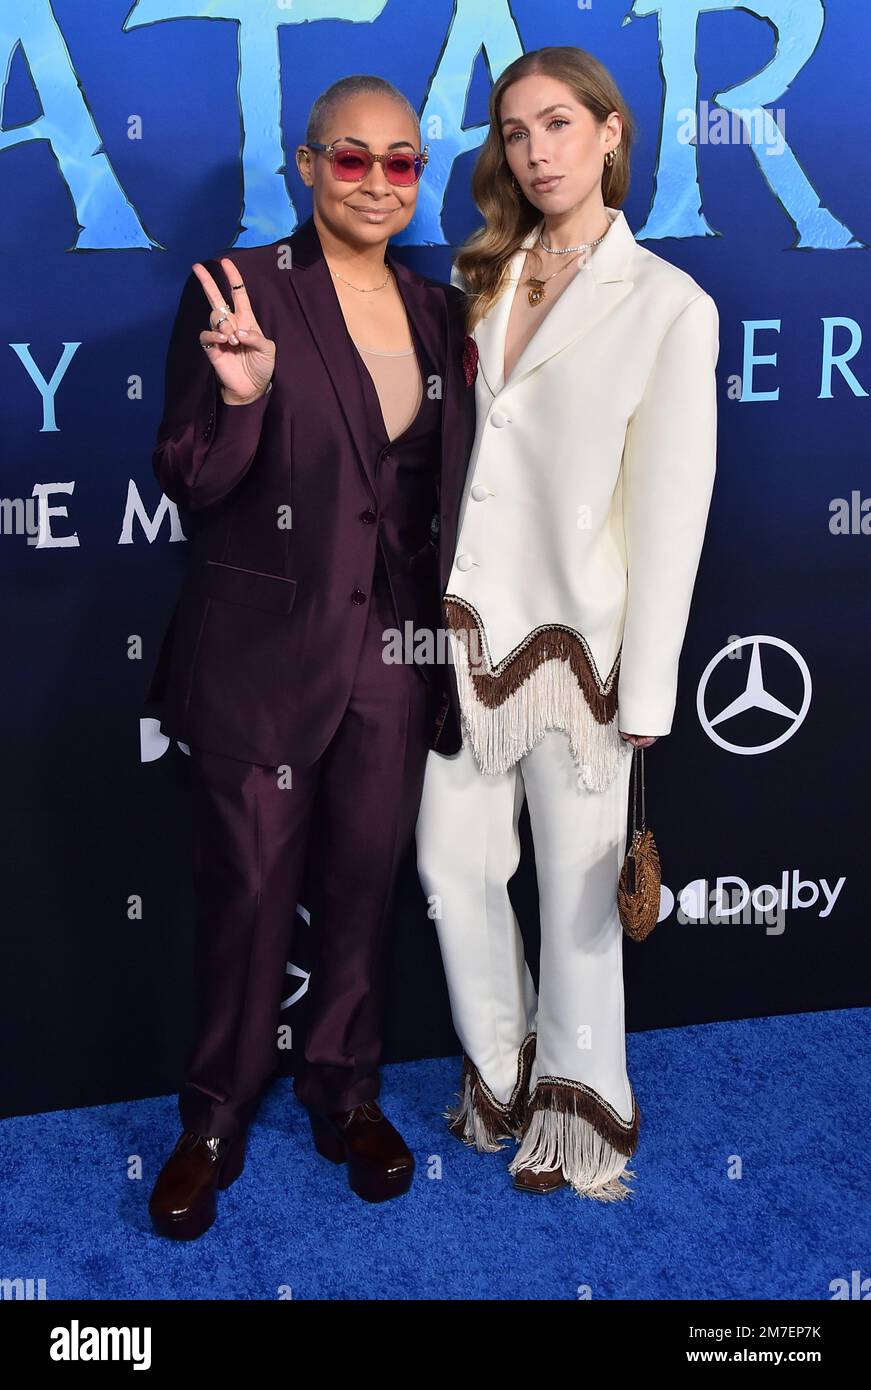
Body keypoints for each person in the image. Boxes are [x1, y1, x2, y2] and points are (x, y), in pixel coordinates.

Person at [144, 74, 475, 1238]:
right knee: (245, 897)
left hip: (393, 656)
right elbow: (189, 478)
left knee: (360, 889)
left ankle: (344, 1092)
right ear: (305, 165)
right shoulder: (246, 293)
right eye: (353, 159)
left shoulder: (441, 315)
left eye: (402, 162)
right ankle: (213, 1121)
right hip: (259, 658)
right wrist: (241, 397)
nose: (378, 183)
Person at [416, 46, 719, 1201]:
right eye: (512, 131)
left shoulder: (667, 306)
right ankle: (500, 1075)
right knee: (452, 862)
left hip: (581, 654)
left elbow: (671, 513)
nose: (534, 151)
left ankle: (582, 1116)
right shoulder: (480, 273)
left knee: (579, 899)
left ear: (608, 133)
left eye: (556, 124)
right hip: (466, 636)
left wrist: (648, 693)